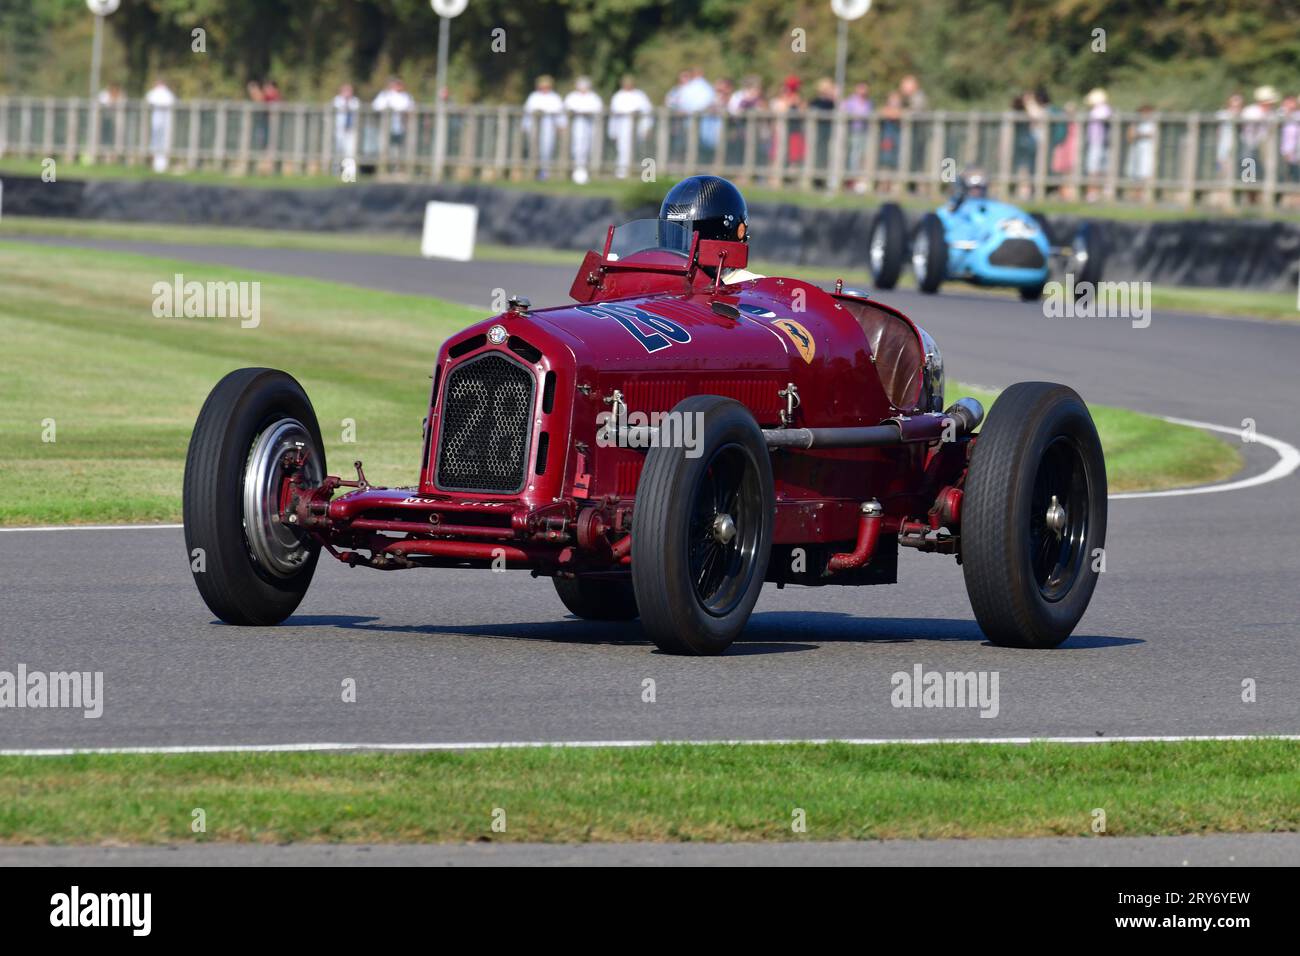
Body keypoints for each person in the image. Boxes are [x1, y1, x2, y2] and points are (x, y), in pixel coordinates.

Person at [658, 175, 761, 284]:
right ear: (739, 230)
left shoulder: (751, 287)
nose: (683, 246)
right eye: (675, 234)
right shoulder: (754, 286)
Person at [608, 75, 653, 179]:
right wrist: (613, 131)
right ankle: (622, 172)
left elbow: (647, 112)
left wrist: (647, 127)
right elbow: (613, 116)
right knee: (622, 149)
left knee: (638, 150)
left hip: (637, 128)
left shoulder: (639, 96)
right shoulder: (618, 96)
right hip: (622, 128)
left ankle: (639, 172)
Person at [522, 75, 565, 179]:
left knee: (547, 148)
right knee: (533, 148)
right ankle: (532, 170)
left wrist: (561, 125)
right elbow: (527, 112)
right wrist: (525, 126)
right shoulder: (533, 96)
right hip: (534, 127)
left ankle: (544, 171)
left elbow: (560, 114)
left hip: (548, 126)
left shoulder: (555, 97)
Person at [564, 76, 603, 183]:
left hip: (590, 126)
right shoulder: (572, 97)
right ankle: (578, 170)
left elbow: (598, 109)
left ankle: (587, 170)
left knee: (589, 147)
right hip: (576, 126)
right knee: (577, 147)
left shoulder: (594, 97)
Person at [372, 77, 413, 151]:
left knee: (399, 147)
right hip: (386, 126)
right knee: (385, 145)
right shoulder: (385, 95)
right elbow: (376, 106)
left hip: (401, 126)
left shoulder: (406, 96)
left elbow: (410, 108)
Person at [145, 77, 176, 173]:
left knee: (161, 142)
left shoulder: (164, 93)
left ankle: (161, 165)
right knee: (158, 142)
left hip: (162, 123)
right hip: (158, 123)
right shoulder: (164, 93)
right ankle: (158, 165)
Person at [332, 83, 360, 171]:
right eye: (346, 91)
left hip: (351, 129)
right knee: (338, 150)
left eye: (349, 91)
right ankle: (336, 170)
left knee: (350, 152)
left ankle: (349, 172)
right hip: (340, 129)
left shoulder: (355, 101)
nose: (348, 93)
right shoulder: (337, 100)